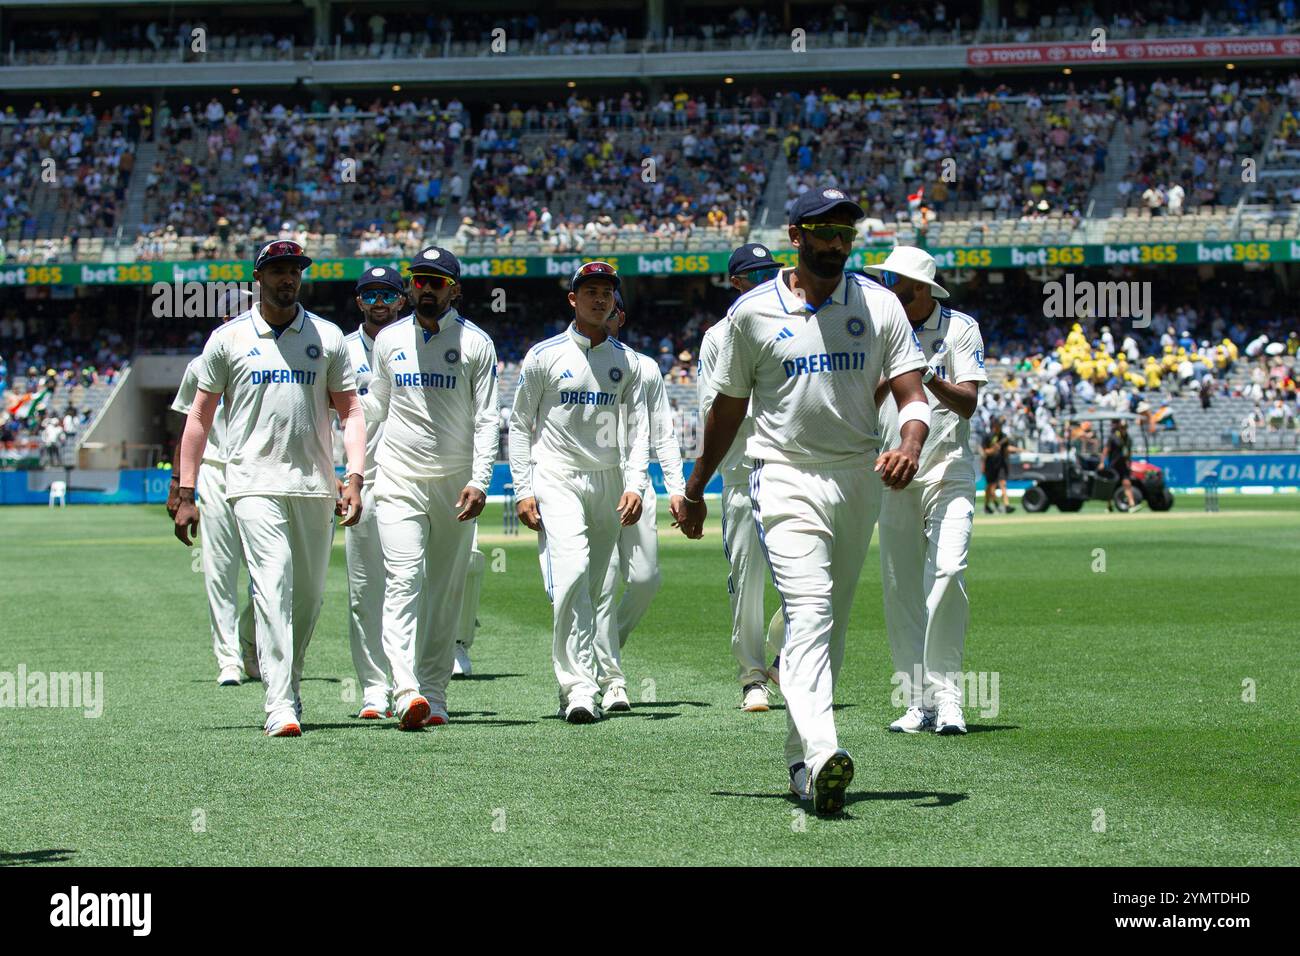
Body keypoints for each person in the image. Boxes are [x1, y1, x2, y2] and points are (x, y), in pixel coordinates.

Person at [677, 187, 930, 815]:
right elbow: (727, 411)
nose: (838, 244)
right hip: (783, 474)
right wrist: (695, 486)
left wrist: (910, 441)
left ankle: (799, 767)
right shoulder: (752, 313)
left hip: (858, 476)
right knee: (809, 609)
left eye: (846, 233)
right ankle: (823, 751)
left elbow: (912, 392)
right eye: (825, 232)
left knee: (828, 622)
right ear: (796, 236)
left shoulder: (879, 304)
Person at [174, 238, 366, 737]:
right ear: (258, 277)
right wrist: (187, 490)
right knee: (272, 583)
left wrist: (355, 475)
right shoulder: (228, 338)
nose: (288, 278)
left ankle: (290, 681)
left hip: (315, 485)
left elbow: (350, 411)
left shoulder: (327, 337)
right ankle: (278, 702)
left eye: (295, 270)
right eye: (278, 270)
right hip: (252, 482)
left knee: (309, 596)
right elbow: (199, 418)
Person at [361, 248, 499, 730]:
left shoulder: (477, 343)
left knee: (444, 591)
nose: (425, 289)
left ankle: (435, 694)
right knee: (403, 580)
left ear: (453, 290)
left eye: (436, 282)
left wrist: (480, 480)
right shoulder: (389, 340)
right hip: (397, 477)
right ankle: (405, 690)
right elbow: (376, 407)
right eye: (419, 280)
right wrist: (338, 411)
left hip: (455, 484)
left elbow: (488, 419)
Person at [508, 261, 649, 724]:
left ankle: (581, 682)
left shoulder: (627, 362)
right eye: (590, 291)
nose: (599, 298)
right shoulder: (544, 355)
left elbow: (638, 431)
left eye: (606, 291)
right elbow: (519, 424)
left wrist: (635, 484)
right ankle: (579, 688)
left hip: (607, 479)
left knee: (594, 587)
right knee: (571, 573)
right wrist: (523, 488)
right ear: (573, 299)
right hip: (557, 476)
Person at [865, 246, 987, 736]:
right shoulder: (876, 329)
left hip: (949, 468)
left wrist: (926, 371)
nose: (887, 289)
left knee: (949, 573)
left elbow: (968, 403)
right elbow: (864, 400)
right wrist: (891, 371)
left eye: (895, 282)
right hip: (892, 471)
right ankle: (919, 703)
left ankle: (948, 699)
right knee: (901, 591)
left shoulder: (960, 328)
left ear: (920, 288)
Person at [590, 290, 686, 712]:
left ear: (620, 316)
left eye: (609, 309)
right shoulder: (571, 359)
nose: (602, 314)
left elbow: (662, 432)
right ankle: (612, 679)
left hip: (636, 486)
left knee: (646, 578)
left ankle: (600, 645)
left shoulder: (644, 367)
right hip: (590, 483)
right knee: (604, 583)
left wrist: (677, 488)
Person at [698, 242, 784, 712]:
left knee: (814, 574)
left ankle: (784, 657)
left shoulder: (792, 324)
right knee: (748, 580)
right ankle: (752, 676)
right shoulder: (719, 337)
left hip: (792, 467)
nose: (768, 281)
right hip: (742, 469)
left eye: (772, 272)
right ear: (736, 283)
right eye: (757, 275)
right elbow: (714, 409)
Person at [169, 305, 258, 687]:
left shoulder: (269, 357)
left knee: (269, 570)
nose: (235, 321)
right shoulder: (200, 364)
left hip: (259, 471)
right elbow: (190, 426)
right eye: (229, 316)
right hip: (215, 470)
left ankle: (251, 640)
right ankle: (228, 659)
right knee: (220, 569)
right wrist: (179, 486)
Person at [341, 265, 405, 719]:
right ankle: (373, 688)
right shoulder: (339, 349)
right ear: (358, 301)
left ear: (402, 300)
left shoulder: (416, 343)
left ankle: (409, 680)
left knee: (411, 585)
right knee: (365, 589)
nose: (379, 302)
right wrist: (342, 474)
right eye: (370, 295)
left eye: (388, 294)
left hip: (410, 477)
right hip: (360, 479)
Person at [981, 419, 1018, 514]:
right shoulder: (987, 436)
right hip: (990, 465)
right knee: (990, 486)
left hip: (1001, 464)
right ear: (994, 426)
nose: (999, 428)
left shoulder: (1003, 436)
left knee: (1003, 484)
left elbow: (1006, 451)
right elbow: (985, 451)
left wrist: (1017, 450)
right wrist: (992, 450)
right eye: (998, 426)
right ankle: (987, 505)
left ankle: (1007, 505)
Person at [1105, 419, 1139, 512]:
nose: (1124, 429)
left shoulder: (1128, 439)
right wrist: (1102, 462)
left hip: (1123, 465)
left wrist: (1129, 462)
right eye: (1122, 427)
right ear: (1119, 428)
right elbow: (1106, 449)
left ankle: (1132, 504)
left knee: (1127, 484)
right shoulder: (1113, 437)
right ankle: (1108, 505)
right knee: (1111, 486)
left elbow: (1129, 452)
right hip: (1113, 465)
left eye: (1125, 427)